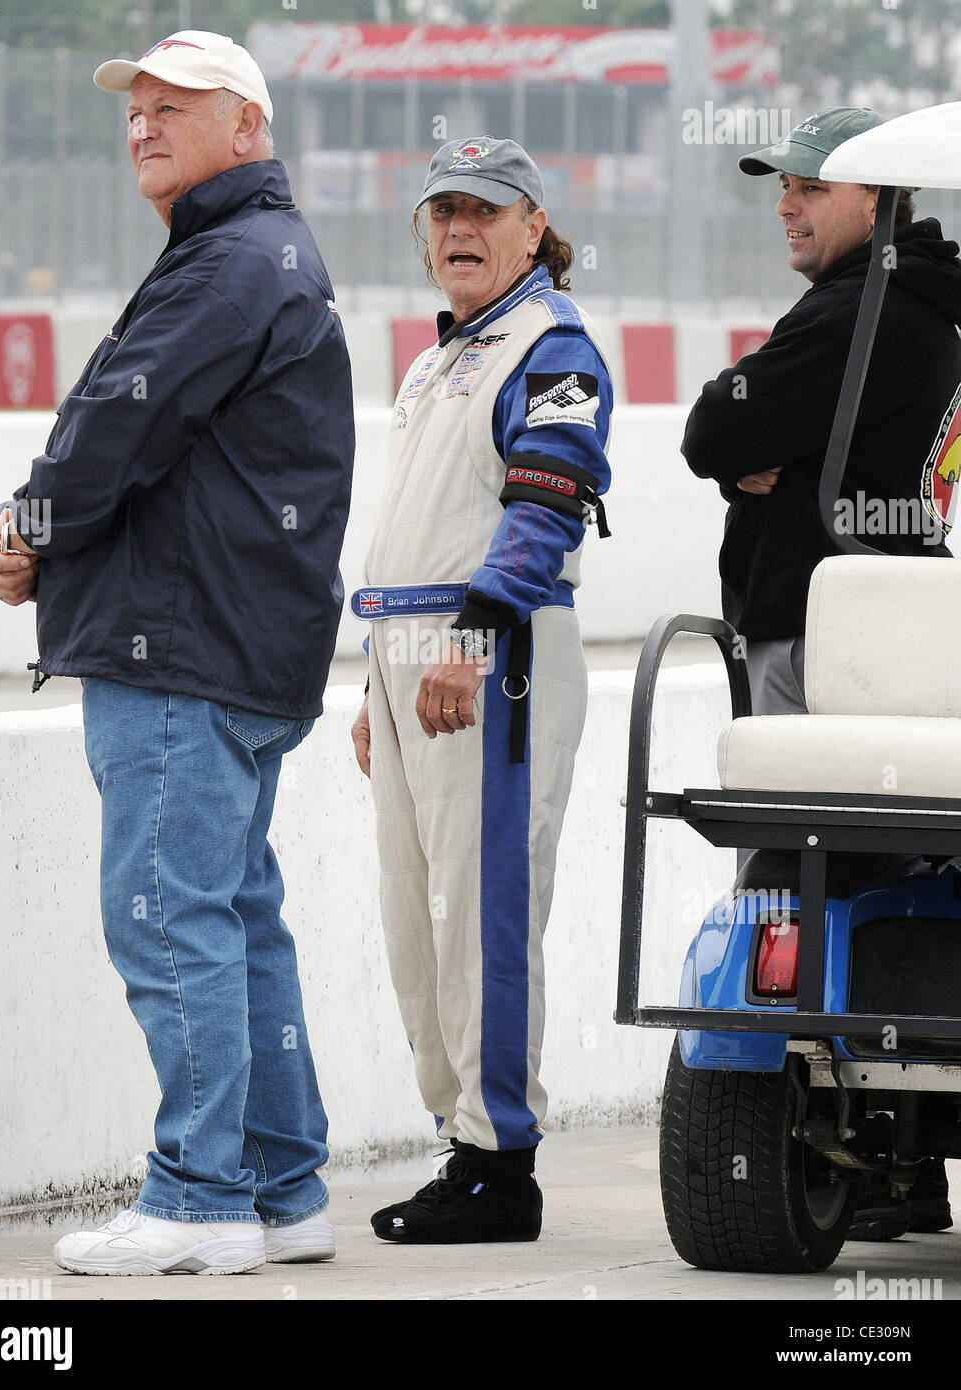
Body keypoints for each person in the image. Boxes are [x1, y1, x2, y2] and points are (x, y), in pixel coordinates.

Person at [0, 30, 354, 1274]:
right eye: (135, 109)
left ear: (248, 127)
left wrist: (25, 527)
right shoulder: (256, 255)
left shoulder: (229, 265)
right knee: (236, 920)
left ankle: (197, 1200)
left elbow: (112, 430)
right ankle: (287, 1191)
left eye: (175, 107)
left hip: (179, 651)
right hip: (234, 648)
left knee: (167, 919)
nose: (143, 124)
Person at [682, 106, 961, 1241]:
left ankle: (837, 1119)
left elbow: (709, 429)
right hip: (904, 626)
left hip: (817, 621)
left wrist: (752, 452)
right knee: (886, 853)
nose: (786, 203)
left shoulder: (860, 308)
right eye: (780, 185)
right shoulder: (934, 310)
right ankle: (898, 1173)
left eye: (808, 185)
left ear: (874, 200)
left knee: (797, 866)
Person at [350, 137, 613, 1244]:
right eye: (440, 210)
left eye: (482, 209)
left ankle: (500, 1166)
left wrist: (469, 634)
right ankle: (459, 1144)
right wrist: (379, 678)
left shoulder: (550, 344)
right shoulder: (439, 357)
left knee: (482, 922)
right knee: (417, 925)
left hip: (488, 657)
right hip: (412, 663)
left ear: (530, 226)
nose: (457, 227)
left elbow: (547, 501)